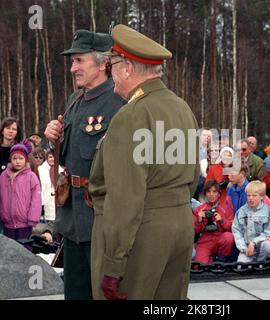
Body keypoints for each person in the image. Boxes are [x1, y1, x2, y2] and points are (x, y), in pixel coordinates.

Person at [88, 24, 200, 300]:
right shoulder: (181, 106)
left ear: (126, 68)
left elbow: (125, 197)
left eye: (112, 64)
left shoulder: (132, 115)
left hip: (140, 235)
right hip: (179, 225)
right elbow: (193, 174)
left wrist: (113, 263)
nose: (109, 71)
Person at [44, 29, 125, 300]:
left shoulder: (120, 102)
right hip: (73, 221)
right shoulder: (74, 101)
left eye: (79, 61)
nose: (72, 68)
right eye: (72, 61)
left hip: (102, 220)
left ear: (103, 63)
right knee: (75, 293)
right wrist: (54, 137)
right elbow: (69, 158)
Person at [0, 140, 42, 251]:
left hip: (25, 224)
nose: (18, 161)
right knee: (9, 252)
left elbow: (36, 199)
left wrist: (33, 217)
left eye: (21, 158)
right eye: (15, 158)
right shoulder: (4, 176)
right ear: (10, 159)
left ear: (26, 159)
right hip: (8, 224)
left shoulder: (31, 176)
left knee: (24, 252)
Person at [232, 181, 270, 263]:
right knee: (241, 266)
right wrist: (244, 249)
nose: (251, 198)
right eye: (248, 195)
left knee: (269, 246)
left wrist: (254, 242)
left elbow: (268, 233)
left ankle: (260, 261)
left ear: (262, 197)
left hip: (261, 246)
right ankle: (251, 260)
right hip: (247, 248)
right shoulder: (240, 212)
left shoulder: (269, 212)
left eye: (254, 195)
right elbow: (237, 232)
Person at [193, 180, 234, 264]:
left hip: (220, 237)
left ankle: (221, 260)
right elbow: (195, 230)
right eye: (208, 192)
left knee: (228, 237)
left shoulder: (225, 207)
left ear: (219, 194)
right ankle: (210, 261)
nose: (211, 194)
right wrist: (199, 219)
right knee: (199, 265)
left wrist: (222, 220)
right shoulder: (200, 209)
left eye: (214, 192)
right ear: (205, 194)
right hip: (206, 240)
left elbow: (231, 227)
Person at [38, 150, 63, 227]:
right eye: (50, 157)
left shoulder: (62, 169)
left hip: (59, 204)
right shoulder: (40, 169)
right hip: (46, 204)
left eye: (54, 157)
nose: (52, 159)